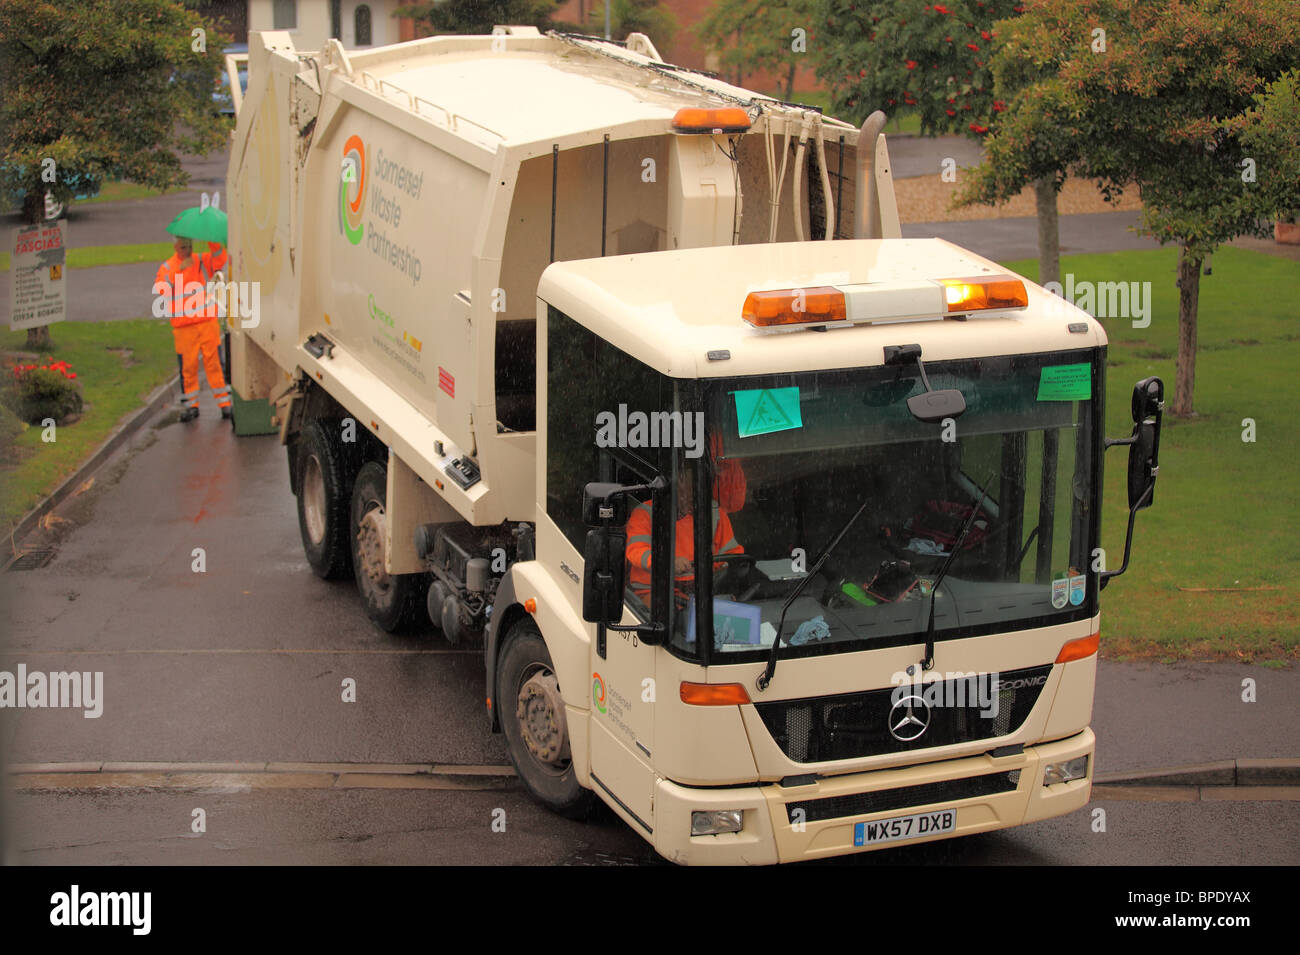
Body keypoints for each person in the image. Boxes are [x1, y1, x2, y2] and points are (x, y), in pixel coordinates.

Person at [625, 463, 744, 602]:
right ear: (670, 488)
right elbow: (636, 551)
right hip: (657, 589)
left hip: (705, 590)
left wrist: (717, 565)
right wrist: (667, 561)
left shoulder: (715, 514)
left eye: (693, 491)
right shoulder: (645, 513)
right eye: (684, 490)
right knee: (669, 619)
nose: (689, 496)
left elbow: (733, 555)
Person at [154, 236, 231, 422]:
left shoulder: (200, 260)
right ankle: (191, 406)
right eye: (182, 247)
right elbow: (161, 289)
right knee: (188, 367)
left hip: (206, 322)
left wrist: (212, 239)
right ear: (175, 247)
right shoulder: (167, 267)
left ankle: (225, 405)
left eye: (188, 246)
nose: (186, 250)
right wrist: (178, 273)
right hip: (184, 327)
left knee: (214, 363)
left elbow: (220, 259)